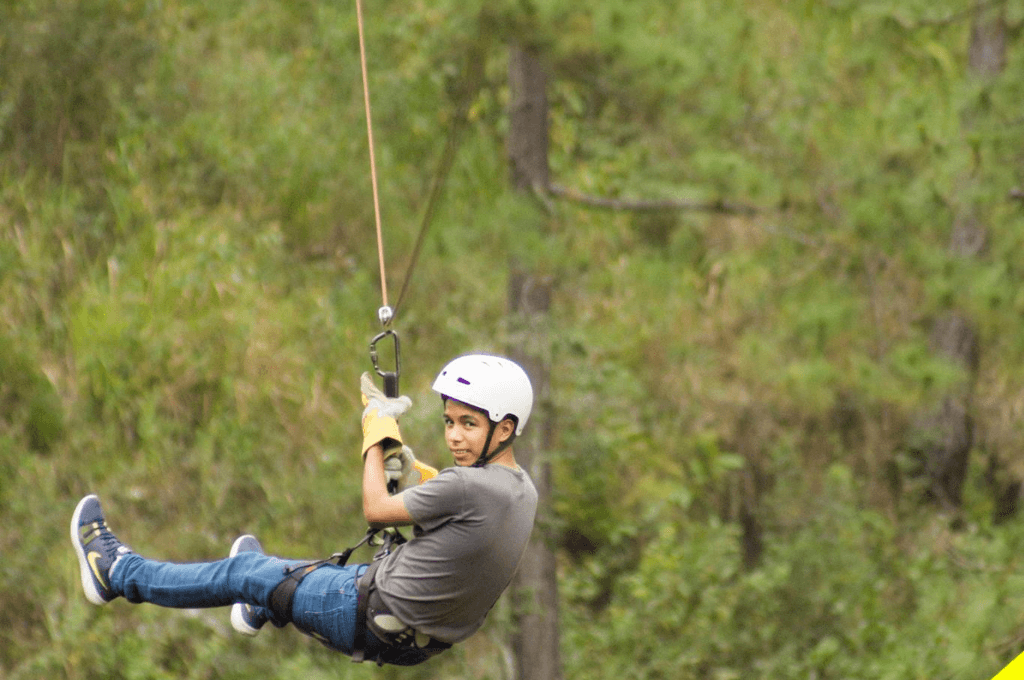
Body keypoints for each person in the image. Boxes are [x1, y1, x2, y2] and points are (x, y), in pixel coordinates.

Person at [70, 354, 538, 666]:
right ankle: (261, 606)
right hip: (414, 641)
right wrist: (414, 473)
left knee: (244, 571)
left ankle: (116, 573)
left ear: (504, 429)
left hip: (364, 613)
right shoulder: (521, 491)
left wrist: (376, 434)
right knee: (276, 576)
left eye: (469, 424)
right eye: (450, 421)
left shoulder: (466, 487)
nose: (454, 436)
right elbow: (461, 524)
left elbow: (377, 509)